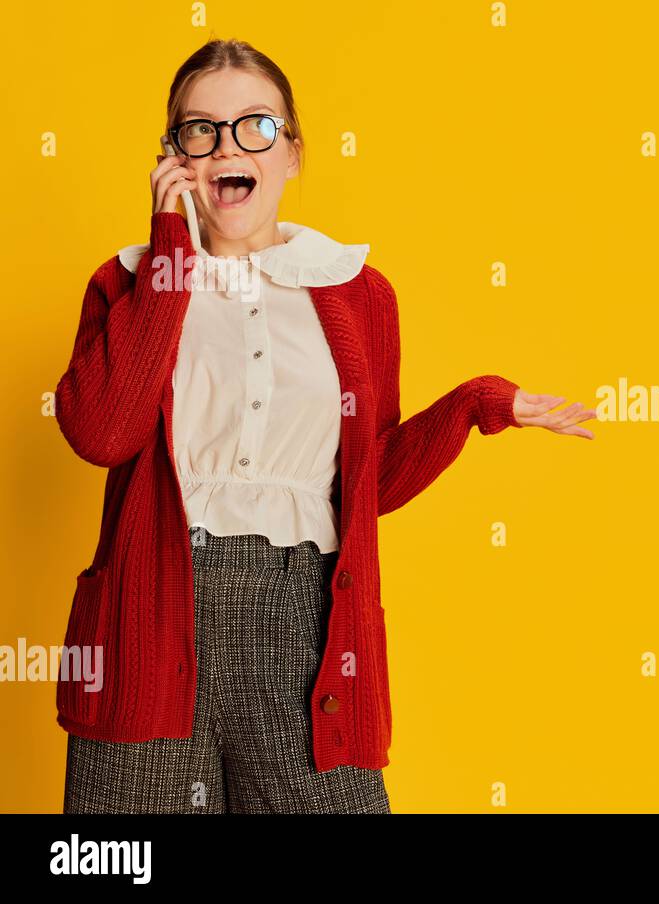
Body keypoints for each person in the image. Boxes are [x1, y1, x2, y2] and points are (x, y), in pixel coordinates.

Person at [54, 38, 595, 813]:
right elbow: (103, 434)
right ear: (175, 157)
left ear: (294, 152)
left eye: (256, 127)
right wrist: (172, 245)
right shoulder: (130, 282)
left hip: (305, 624)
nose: (227, 146)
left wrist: (477, 405)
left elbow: (366, 483)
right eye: (199, 130)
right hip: (147, 625)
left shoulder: (359, 294)